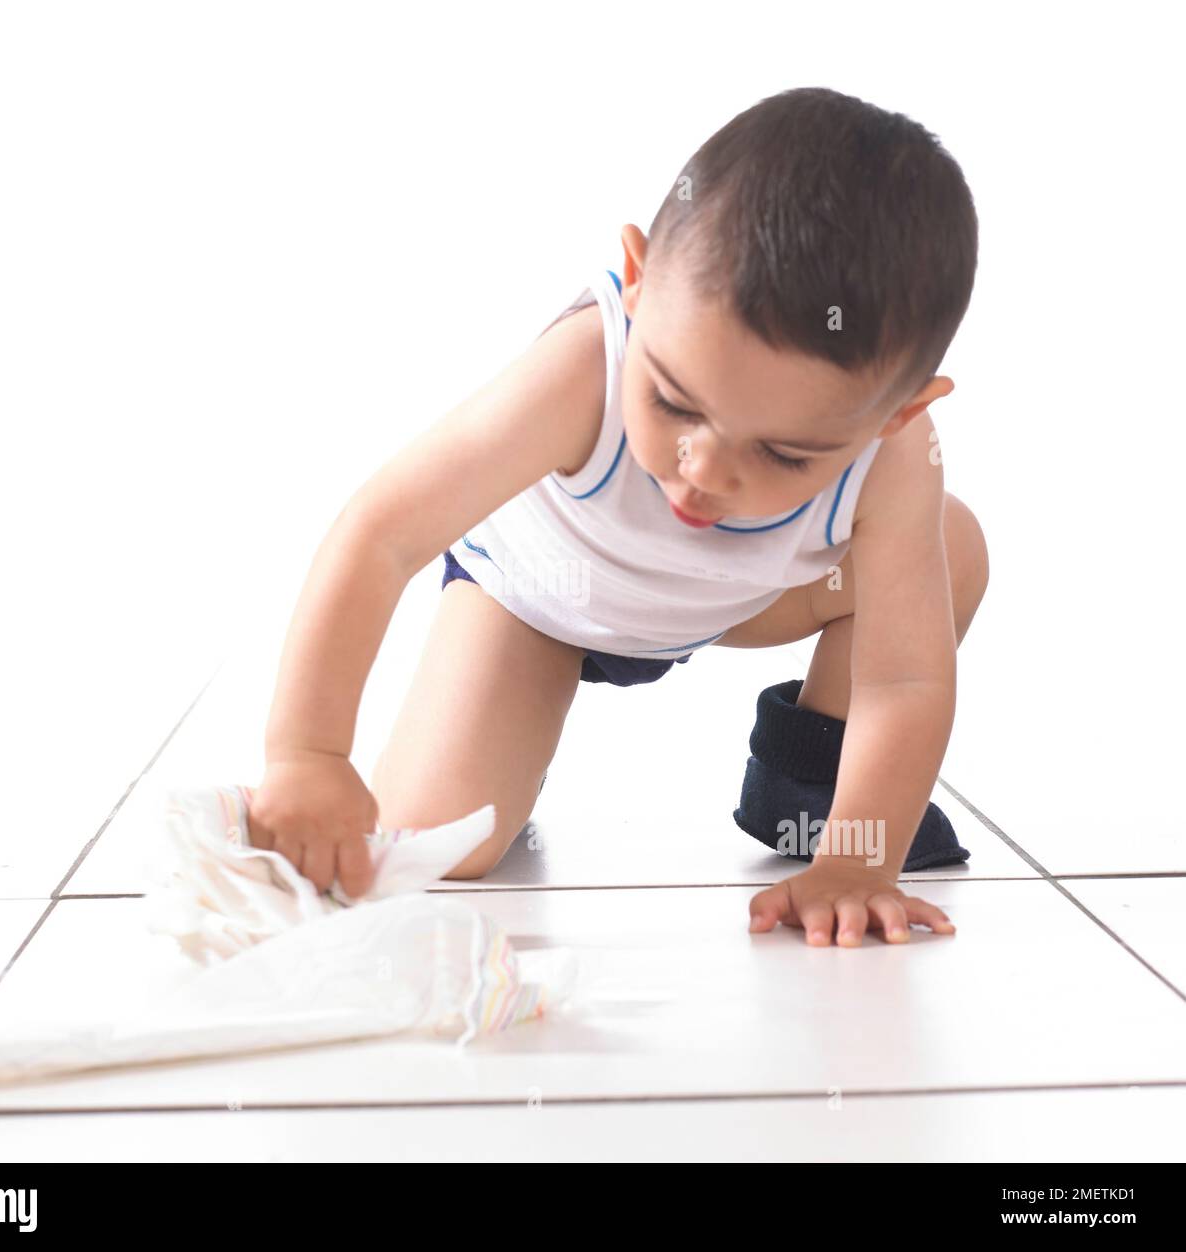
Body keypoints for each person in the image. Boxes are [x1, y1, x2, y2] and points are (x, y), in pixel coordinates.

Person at [246, 86, 988, 948]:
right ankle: (502, 738)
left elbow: (903, 679)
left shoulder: (898, 454)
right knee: (440, 842)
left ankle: (810, 785)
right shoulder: (581, 372)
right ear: (636, 283)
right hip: (533, 602)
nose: (701, 471)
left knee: (947, 547)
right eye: (674, 403)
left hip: (730, 598)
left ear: (895, 412)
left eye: (784, 456)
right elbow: (381, 534)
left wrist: (860, 862)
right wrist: (308, 755)